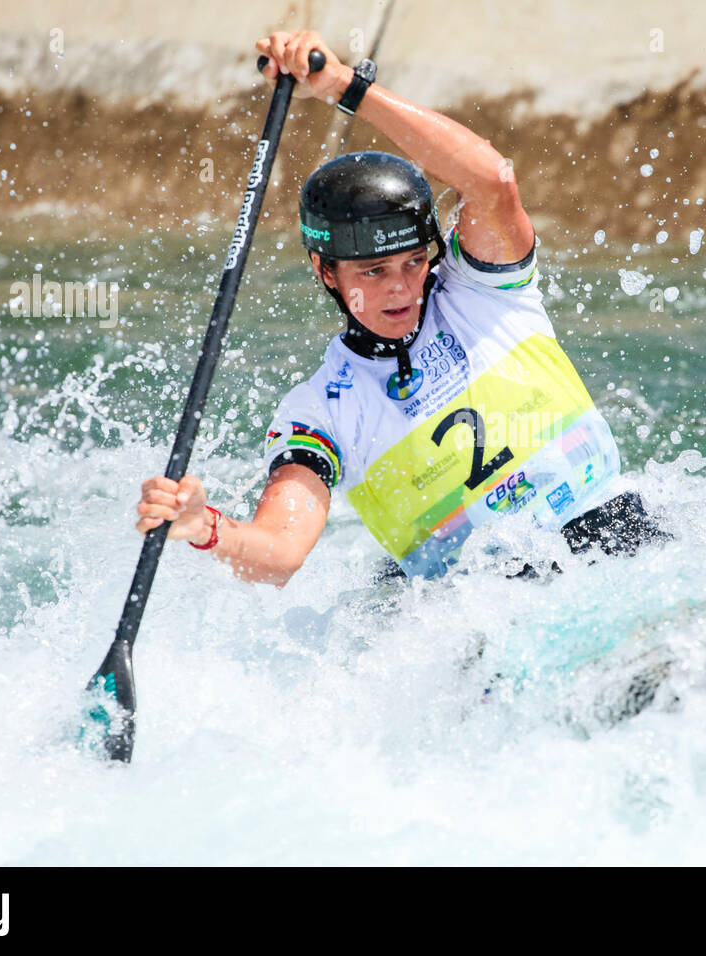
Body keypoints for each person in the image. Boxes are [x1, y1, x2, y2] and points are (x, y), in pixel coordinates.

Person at [134, 29, 667, 585]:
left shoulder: (482, 291)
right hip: (475, 608)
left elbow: (492, 180)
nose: (403, 289)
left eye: (414, 261)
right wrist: (205, 526)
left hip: (612, 544)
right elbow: (279, 554)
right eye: (373, 272)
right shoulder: (321, 410)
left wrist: (344, 85)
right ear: (325, 273)